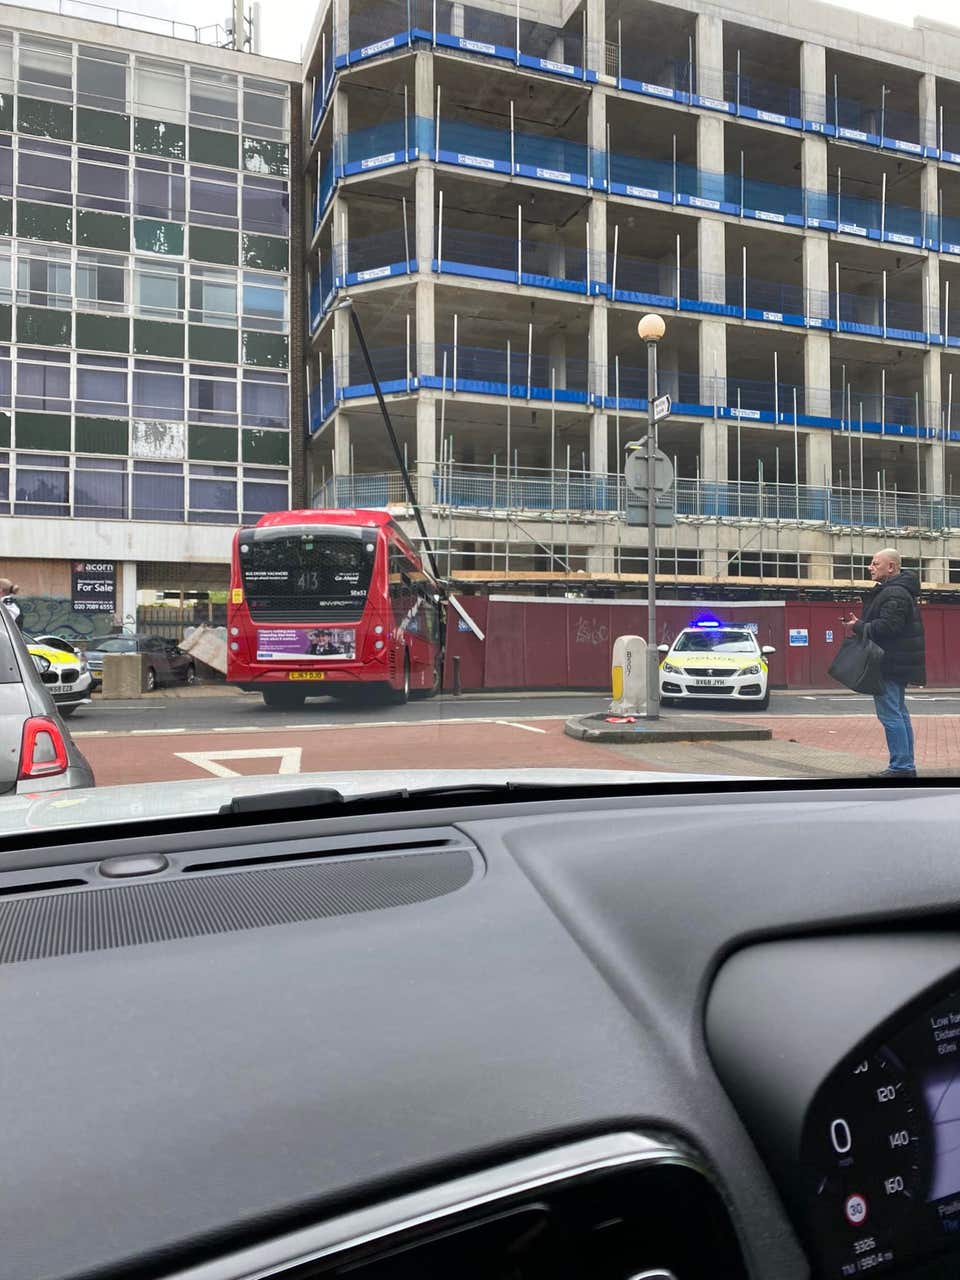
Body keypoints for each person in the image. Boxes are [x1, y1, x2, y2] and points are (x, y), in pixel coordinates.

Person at [840, 548, 925, 779]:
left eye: (875, 563)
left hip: (888, 663)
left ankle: (901, 768)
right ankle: (905, 764)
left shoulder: (894, 593)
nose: (870, 567)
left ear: (891, 567)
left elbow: (888, 628)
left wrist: (857, 626)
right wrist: (861, 623)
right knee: (899, 713)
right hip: (896, 662)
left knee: (890, 715)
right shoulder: (897, 590)